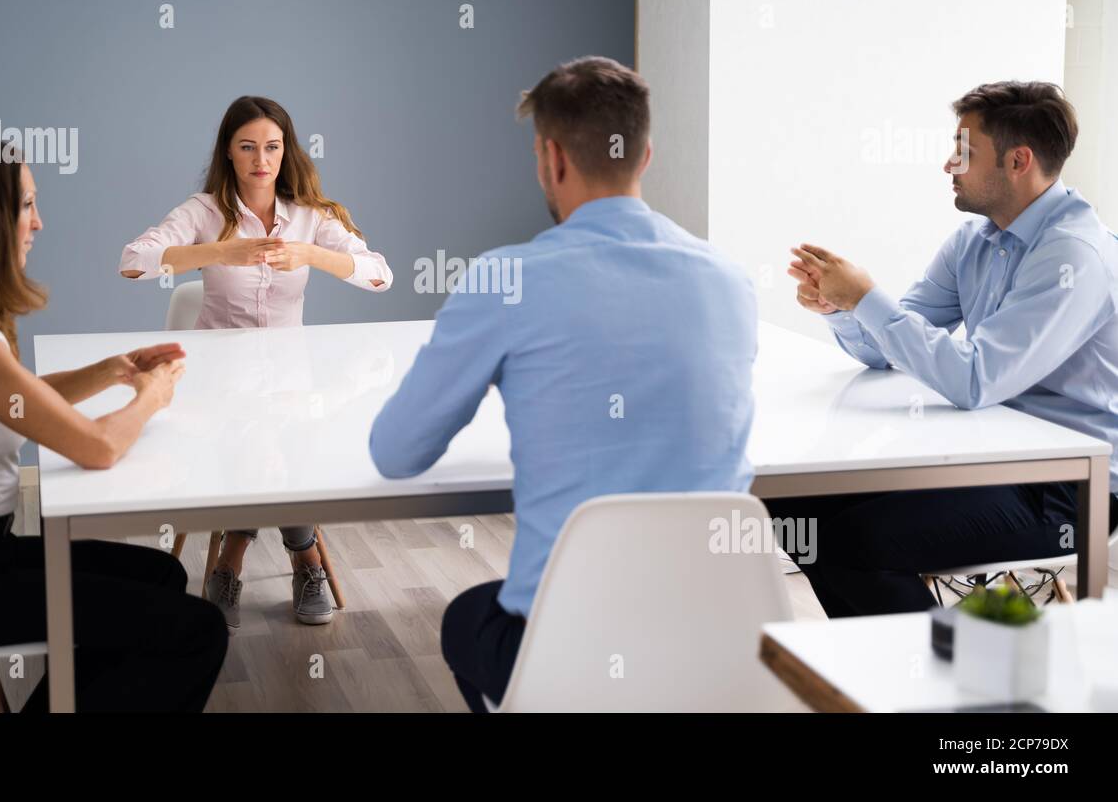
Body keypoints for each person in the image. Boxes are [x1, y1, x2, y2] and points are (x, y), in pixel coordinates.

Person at [368, 56, 759, 712]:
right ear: (646, 155)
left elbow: (397, 451)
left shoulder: (507, 279)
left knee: (466, 617)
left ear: (552, 158)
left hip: (569, 654)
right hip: (718, 645)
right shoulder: (730, 278)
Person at [0, 136, 229, 712]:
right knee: (197, 631)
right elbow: (100, 448)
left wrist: (113, 371)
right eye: (27, 205)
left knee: (160, 576)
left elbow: (14, 401)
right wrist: (152, 396)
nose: (39, 222)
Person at [775, 81, 1118, 617]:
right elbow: (889, 345)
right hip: (989, 454)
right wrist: (842, 306)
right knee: (794, 509)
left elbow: (976, 379)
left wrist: (867, 297)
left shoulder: (1072, 256)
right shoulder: (975, 239)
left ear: (1018, 160)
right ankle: (897, 672)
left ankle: (932, 679)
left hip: (1068, 486)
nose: (947, 164)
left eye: (964, 151)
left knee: (852, 543)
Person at [120, 96, 393, 628]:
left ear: (285, 151)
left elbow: (380, 274)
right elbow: (132, 262)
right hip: (214, 379)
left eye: (271, 147)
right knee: (263, 435)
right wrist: (220, 252)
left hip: (291, 375)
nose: (260, 160)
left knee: (281, 427)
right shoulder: (203, 212)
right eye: (247, 147)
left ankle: (231, 559)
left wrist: (311, 254)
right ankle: (305, 555)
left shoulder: (310, 217)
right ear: (229, 151)